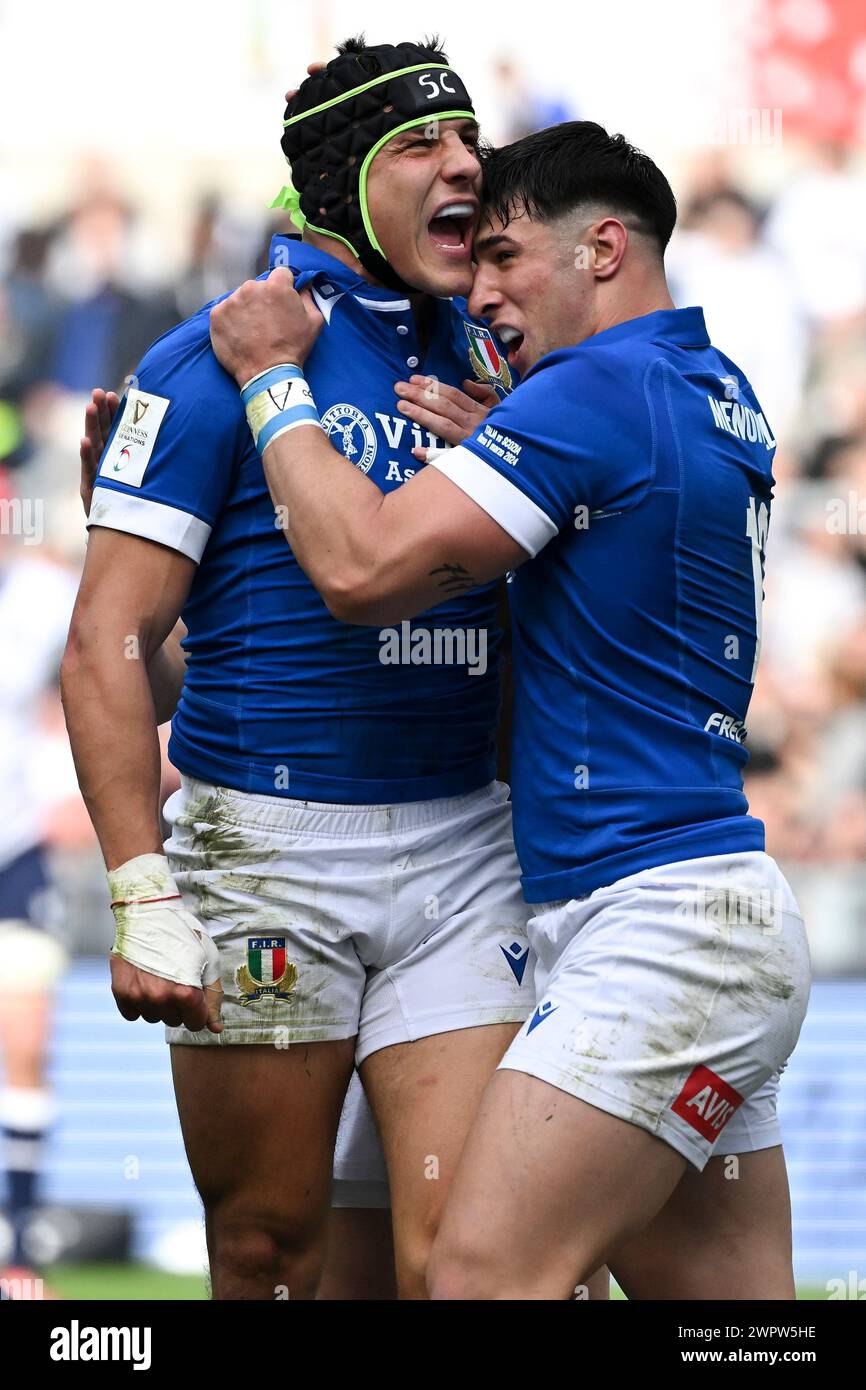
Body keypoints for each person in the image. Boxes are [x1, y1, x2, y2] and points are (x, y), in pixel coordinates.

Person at [208, 119, 812, 1300]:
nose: (476, 293)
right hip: (713, 911)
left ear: (599, 250)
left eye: (502, 257)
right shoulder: (709, 387)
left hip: (656, 929)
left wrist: (273, 384)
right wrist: (510, 457)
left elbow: (359, 571)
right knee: (739, 1320)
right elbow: (612, 547)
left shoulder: (587, 393)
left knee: (480, 1277)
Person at [62, 37, 537, 1302]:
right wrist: (138, 887)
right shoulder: (208, 361)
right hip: (267, 850)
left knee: (468, 1266)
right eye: (423, 144)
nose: (466, 166)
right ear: (340, 179)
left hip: (465, 852)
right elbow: (104, 646)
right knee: (272, 1255)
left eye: (469, 139)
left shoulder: (501, 362)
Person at [0, 472, 76, 1296]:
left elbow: (95, 661)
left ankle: (18, 1250)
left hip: (14, 851)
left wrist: (65, 781)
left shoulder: (43, 595)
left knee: (24, 1040)